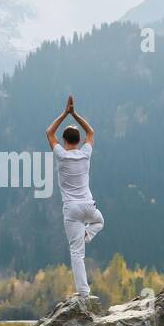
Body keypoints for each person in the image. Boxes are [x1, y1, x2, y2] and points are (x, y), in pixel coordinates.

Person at [45, 95, 103, 299]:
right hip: (88, 205)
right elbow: (91, 131)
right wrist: (75, 113)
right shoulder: (86, 153)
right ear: (79, 141)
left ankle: (84, 293)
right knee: (100, 221)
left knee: (76, 253)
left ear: (64, 141)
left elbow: (48, 132)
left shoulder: (60, 155)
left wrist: (64, 113)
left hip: (71, 209)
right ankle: (87, 234)